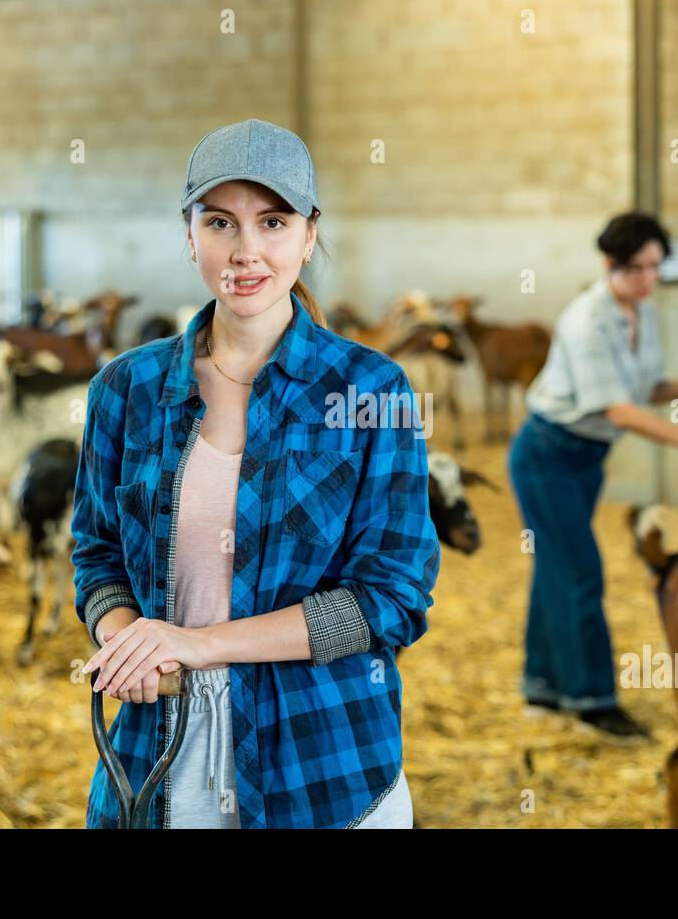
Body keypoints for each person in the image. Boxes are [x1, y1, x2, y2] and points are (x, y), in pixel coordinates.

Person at [71, 119, 441, 828]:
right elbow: (97, 557)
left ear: (308, 234)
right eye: (220, 222)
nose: (246, 252)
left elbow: (391, 599)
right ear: (189, 234)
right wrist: (129, 642)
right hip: (158, 753)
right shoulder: (126, 389)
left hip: (321, 761)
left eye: (272, 222)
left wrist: (196, 644)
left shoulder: (372, 391)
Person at [509, 212, 678, 737]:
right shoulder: (586, 320)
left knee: (557, 568)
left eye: (655, 267)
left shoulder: (641, 310)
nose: (648, 279)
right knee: (579, 573)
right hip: (548, 455)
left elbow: (644, 389)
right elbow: (618, 410)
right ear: (609, 264)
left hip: (586, 458)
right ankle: (592, 702)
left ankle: (543, 689)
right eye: (636, 269)